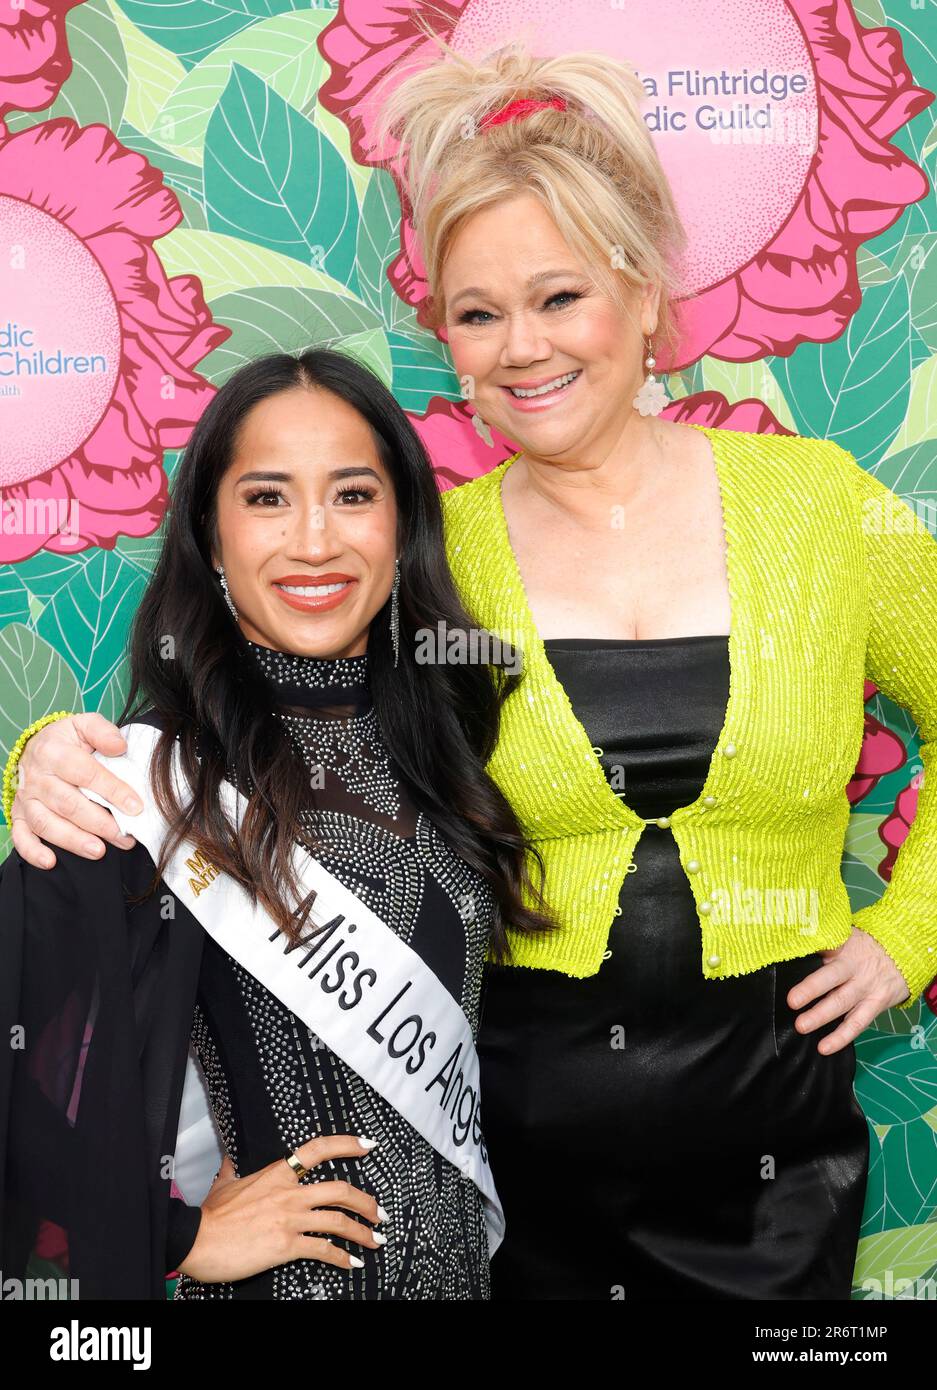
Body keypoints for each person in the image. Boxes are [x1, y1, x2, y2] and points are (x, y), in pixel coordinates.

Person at [8, 38, 937, 1300]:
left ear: (646, 294)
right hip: (511, 1180)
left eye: (558, 297)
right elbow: (259, 705)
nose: (520, 348)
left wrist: (906, 933)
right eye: (477, 312)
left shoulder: (822, 508)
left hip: (773, 1164)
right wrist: (55, 762)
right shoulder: (437, 555)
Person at [0, 346, 554, 1300]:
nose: (313, 541)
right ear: (211, 537)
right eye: (265, 498)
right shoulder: (141, 785)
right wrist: (178, 1236)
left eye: (352, 495)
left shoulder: (446, 748)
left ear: (401, 524)